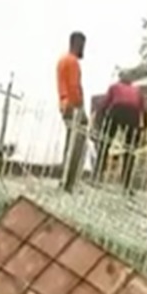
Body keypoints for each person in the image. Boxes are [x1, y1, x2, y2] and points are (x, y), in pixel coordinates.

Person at [95, 70, 147, 191]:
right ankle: (126, 182)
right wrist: (144, 127)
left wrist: (100, 122)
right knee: (130, 148)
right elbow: (145, 110)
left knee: (105, 143)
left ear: (120, 78)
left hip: (117, 111)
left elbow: (104, 105)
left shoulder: (114, 87)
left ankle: (97, 175)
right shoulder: (137, 90)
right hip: (132, 114)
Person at [57, 31, 87, 192]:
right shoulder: (73, 61)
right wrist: (81, 107)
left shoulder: (62, 60)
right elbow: (75, 87)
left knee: (70, 143)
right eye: (83, 45)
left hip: (64, 104)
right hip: (73, 106)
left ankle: (65, 179)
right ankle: (70, 182)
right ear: (77, 44)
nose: (84, 49)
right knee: (77, 144)